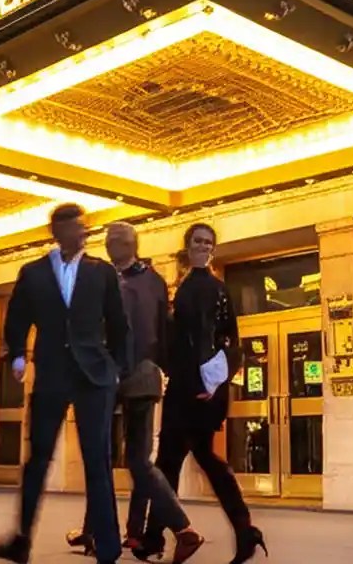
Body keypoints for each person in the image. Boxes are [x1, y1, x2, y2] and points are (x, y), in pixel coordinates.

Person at [0, 204, 131, 564]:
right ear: (57, 231)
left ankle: (108, 550)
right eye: (75, 227)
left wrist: (117, 371)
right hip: (51, 374)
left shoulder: (102, 272)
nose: (82, 232)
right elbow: (16, 318)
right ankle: (21, 542)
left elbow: (118, 324)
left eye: (84, 226)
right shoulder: (32, 273)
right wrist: (17, 354)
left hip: (94, 377)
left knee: (98, 460)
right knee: (38, 460)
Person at [65, 222, 204, 563]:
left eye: (119, 240)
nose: (113, 244)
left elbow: (151, 331)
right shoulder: (144, 280)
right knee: (131, 460)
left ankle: (124, 531)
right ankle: (162, 531)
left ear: (132, 243)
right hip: (134, 375)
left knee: (118, 458)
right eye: (110, 239)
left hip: (129, 376)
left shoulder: (127, 282)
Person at [138, 223, 267, 564]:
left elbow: (219, 340)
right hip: (193, 387)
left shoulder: (209, 288)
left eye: (208, 243)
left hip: (195, 391)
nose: (203, 247)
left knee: (177, 462)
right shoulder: (189, 286)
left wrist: (207, 384)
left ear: (213, 249)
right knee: (185, 461)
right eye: (198, 241)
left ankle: (159, 538)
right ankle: (241, 532)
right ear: (188, 245)